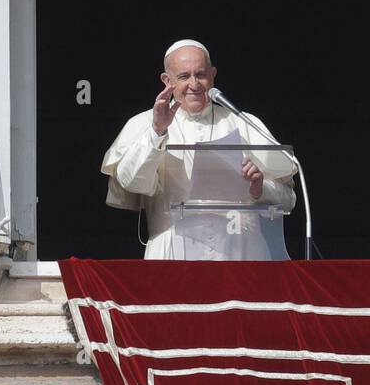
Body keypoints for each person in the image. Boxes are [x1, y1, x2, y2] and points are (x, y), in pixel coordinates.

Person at [101, 39, 297, 259]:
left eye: (201, 74)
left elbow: (289, 199)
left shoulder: (243, 122)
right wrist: (157, 132)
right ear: (167, 80)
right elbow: (133, 181)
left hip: (241, 252)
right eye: (184, 76)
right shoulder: (146, 123)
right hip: (174, 253)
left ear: (213, 75)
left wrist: (260, 188)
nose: (194, 84)